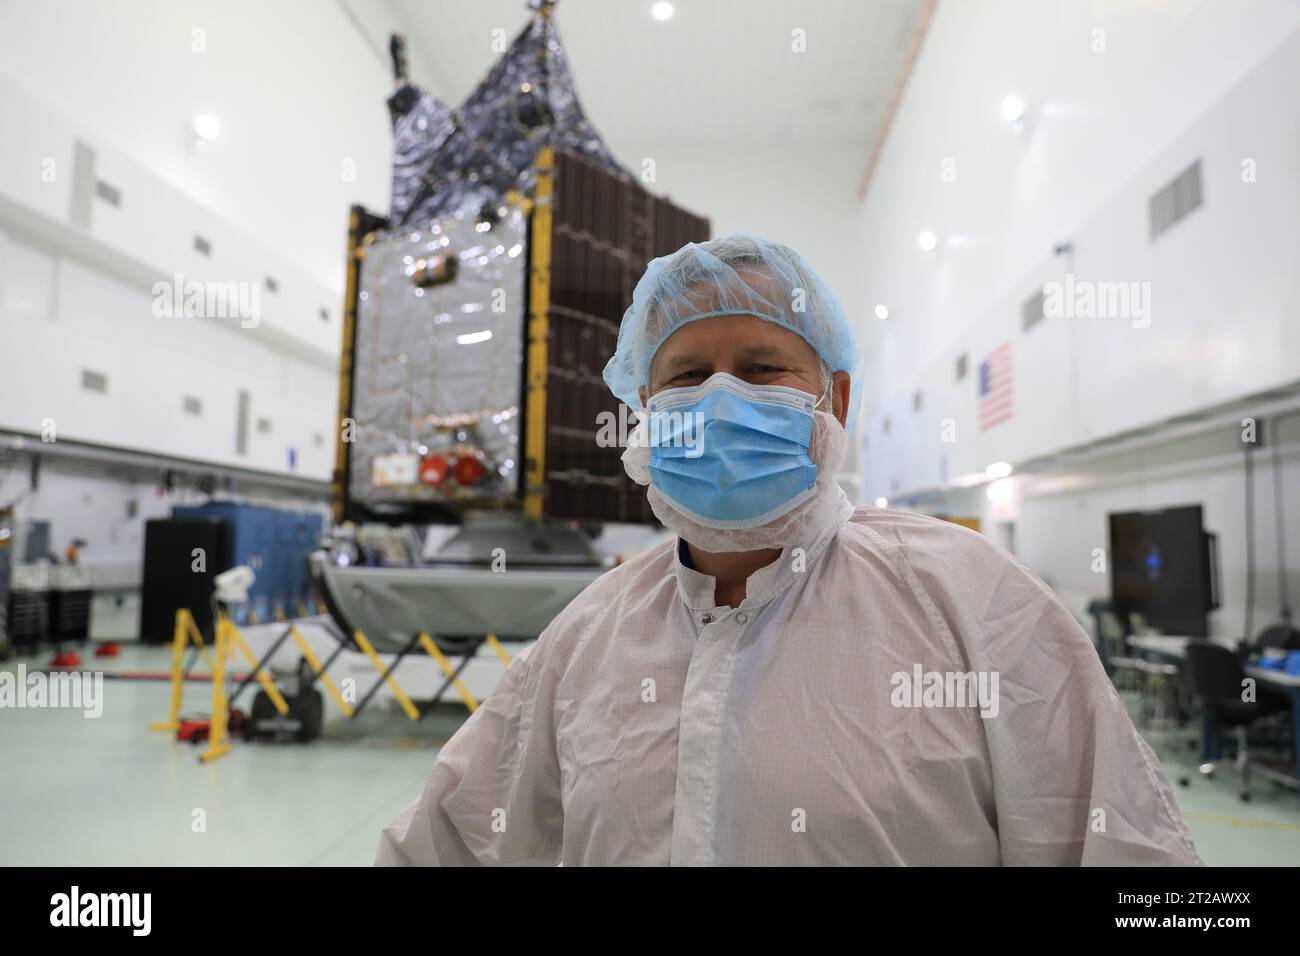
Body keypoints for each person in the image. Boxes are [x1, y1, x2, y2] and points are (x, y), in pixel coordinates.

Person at [376, 232, 1201, 866]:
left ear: (831, 397)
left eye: (764, 368)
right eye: (688, 377)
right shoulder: (585, 640)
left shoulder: (972, 603)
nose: (723, 397)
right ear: (646, 411)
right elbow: (446, 842)